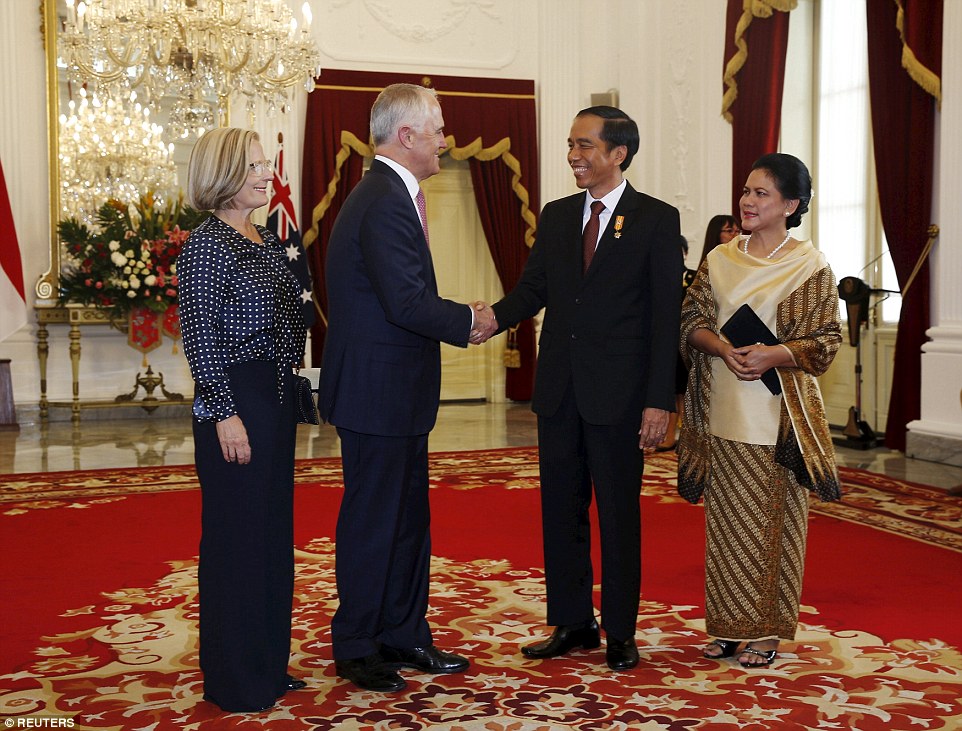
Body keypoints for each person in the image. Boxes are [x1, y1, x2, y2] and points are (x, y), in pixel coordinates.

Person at [480, 105, 683, 671]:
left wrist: (658, 399)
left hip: (621, 398)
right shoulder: (559, 215)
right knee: (559, 512)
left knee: (618, 515)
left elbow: (666, 316)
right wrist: (488, 319)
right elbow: (533, 288)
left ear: (618, 154)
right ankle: (572, 623)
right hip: (560, 392)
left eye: (585, 145)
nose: (573, 155)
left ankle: (620, 630)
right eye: (571, 144)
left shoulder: (656, 220)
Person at [317, 83, 496, 693]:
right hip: (376, 392)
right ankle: (359, 645)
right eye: (439, 128)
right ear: (407, 135)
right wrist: (467, 321)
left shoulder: (390, 193)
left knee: (407, 520)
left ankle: (403, 632)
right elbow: (405, 301)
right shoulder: (384, 199)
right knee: (376, 522)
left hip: (394, 392)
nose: (447, 139)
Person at [677, 153, 842, 669]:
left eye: (761, 194)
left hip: (778, 421)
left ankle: (767, 633)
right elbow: (692, 320)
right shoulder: (722, 258)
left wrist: (777, 353)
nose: (747, 201)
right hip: (719, 414)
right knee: (727, 527)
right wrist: (720, 347)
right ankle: (727, 628)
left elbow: (827, 340)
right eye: (746, 191)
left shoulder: (810, 266)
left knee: (772, 528)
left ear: (790, 205)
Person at [178, 127, 309, 712]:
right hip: (235, 401)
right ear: (223, 175)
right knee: (237, 541)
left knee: (272, 536)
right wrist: (226, 415)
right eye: (255, 165)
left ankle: (268, 663)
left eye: (266, 164)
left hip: (276, 402)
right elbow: (199, 338)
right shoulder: (206, 244)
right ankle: (236, 677)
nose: (267, 174)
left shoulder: (266, 236)